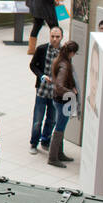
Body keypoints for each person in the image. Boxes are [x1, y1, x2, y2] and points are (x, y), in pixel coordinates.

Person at [29, 26, 63, 154]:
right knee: (38, 119)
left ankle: (45, 141)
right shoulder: (42, 49)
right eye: (52, 36)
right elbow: (33, 65)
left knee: (52, 119)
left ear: (61, 37)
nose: (54, 39)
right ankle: (34, 143)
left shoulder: (63, 52)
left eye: (57, 37)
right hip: (42, 91)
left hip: (55, 93)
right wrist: (42, 76)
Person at [47, 40, 79, 167]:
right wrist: (71, 91)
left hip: (57, 100)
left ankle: (59, 154)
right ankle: (53, 157)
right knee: (59, 128)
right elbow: (59, 86)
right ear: (71, 53)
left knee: (60, 127)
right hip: (63, 101)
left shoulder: (58, 60)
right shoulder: (65, 65)